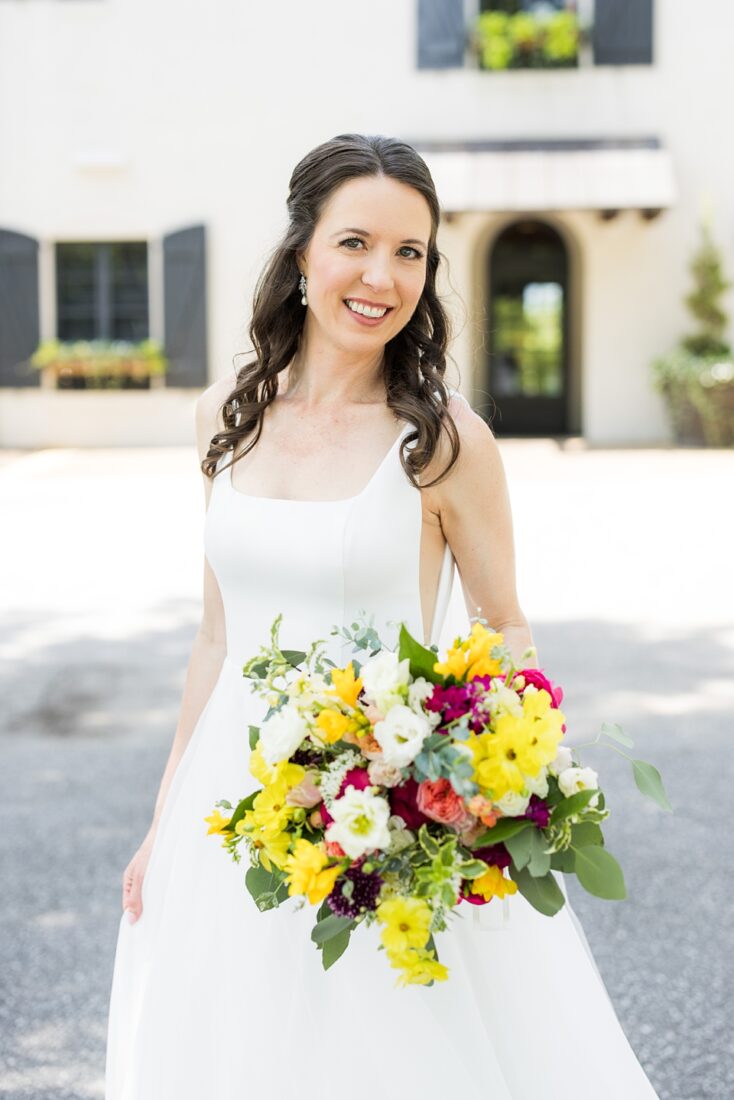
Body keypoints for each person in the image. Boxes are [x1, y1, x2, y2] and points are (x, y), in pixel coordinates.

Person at [105, 133, 659, 1098]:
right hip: (229, 808)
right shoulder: (223, 418)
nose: (382, 276)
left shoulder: (443, 440)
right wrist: (165, 821)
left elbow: (505, 628)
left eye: (411, 252)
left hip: (380, 810)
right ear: (301, 253)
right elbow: (218, 638)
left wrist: (489, 786)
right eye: (355, 242)